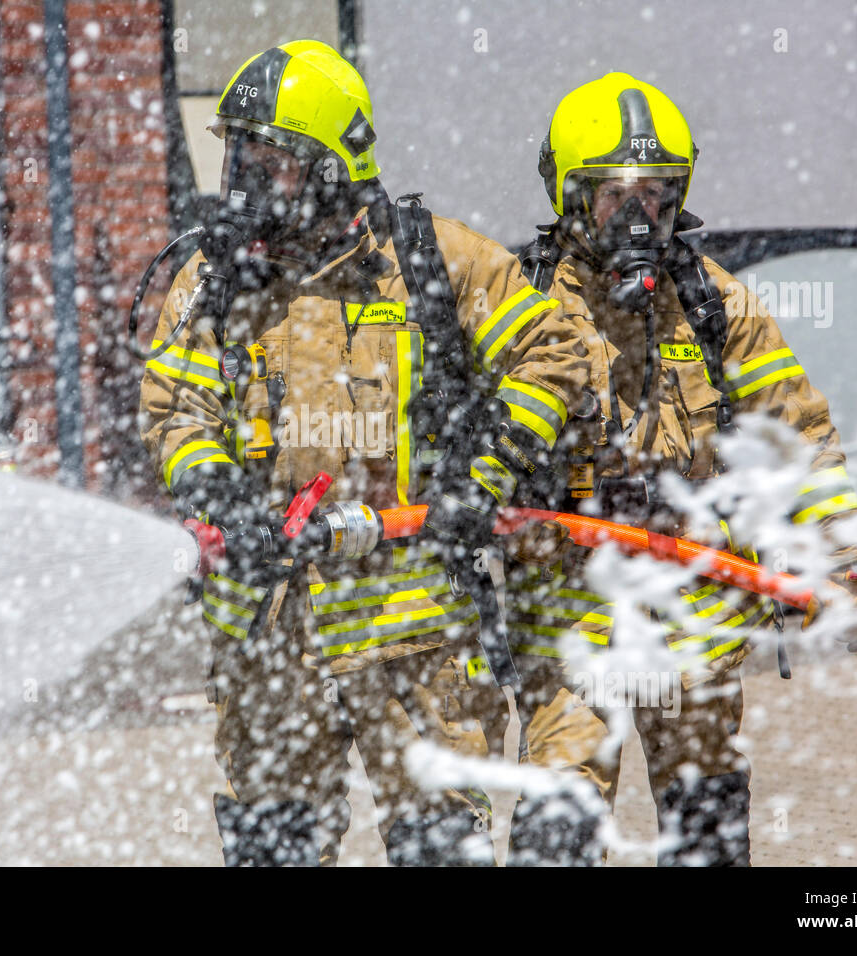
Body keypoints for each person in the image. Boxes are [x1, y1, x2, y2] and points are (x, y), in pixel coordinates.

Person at [138, 40, 590, 865]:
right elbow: (176, 405)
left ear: (333, 167)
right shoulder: (212, 277)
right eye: (238, 156)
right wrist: (214, 486)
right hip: (270, 638)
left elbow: (554, 351)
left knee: (439, 850)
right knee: (273, 850)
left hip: (414, 643)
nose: (244, 183)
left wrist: (481, 477)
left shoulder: (428, 262)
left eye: (269, 164)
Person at [502, 72, 857, 866]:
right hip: (572, 631)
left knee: (708, 837)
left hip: (696, 631)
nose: (641, 218)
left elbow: (798, 435)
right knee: (558, 838)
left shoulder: (713, 306)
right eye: (618, 196)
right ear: (571, 196)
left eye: (660, 196)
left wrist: (841, 560)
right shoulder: (519, 308)